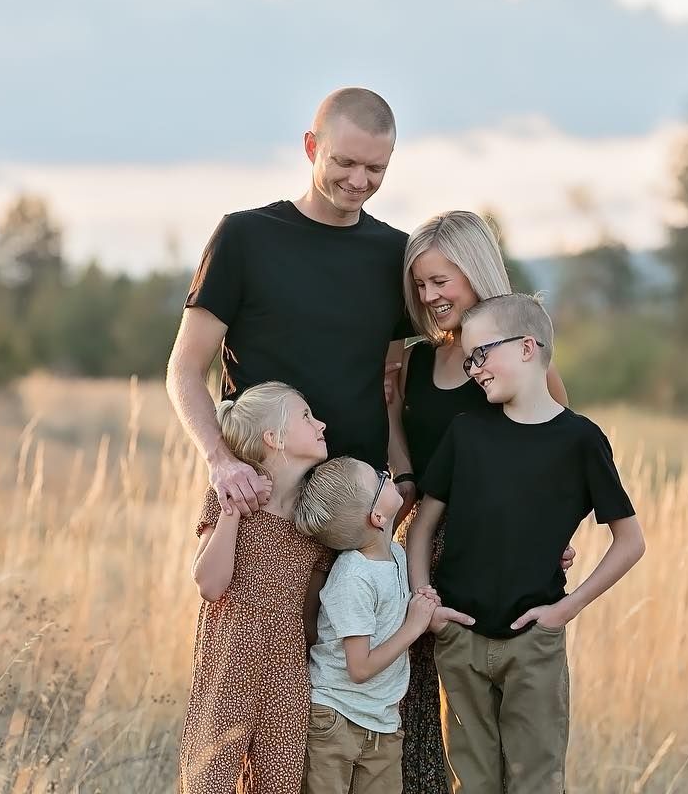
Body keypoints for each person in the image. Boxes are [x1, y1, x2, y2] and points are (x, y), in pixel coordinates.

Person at [406, 294, 646, 794]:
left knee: (535, 781)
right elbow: (424, 526)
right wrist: (426, 603)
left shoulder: (580, 440)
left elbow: (630, 541)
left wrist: (567, 608)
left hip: (534, 642)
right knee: (471, 782)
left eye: (481, 354)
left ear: (527, 347)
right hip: (460, 638)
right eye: (468, 358)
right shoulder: (466, 432)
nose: (473, 369)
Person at [387, 210, 571, 793]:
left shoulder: (511, 360)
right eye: (420, 285)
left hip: (492, 555)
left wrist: (551, 533)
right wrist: (396, 430)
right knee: (425, 717)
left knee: (509, 735)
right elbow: (401, 449)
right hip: (420, 552)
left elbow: (559, 449)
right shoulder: (414, 359)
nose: (430, 296)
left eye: (442, 281)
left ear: (475, 271)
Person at [167, 88, 414, 520]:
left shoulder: (396, 254)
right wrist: (220, 461)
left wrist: (405, 475)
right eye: (345, 162)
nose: (360, 181)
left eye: (376, 168)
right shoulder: (244, 237)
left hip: (357, 508)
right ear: (311, 146)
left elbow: (388, 386)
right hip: (258, 495)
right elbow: (184, 370)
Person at [179, 382, 336, 794]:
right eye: (306, 417)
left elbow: (311, 613)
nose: (320, 424)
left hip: (286, 670)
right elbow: (210, 585)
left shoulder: (314, 519)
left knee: (279, 783)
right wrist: (233, 510)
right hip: (230, 658)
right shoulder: (228, 495)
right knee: (208, 779)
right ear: (274, 437)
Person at [293, 456, 473, 794]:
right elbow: (359, 667)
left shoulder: (397, 556)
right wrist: (414, 626)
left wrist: (425, 609)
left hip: (382, 722)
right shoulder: (354, 578)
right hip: (335, 719)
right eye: (379, 478)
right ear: (377, 517)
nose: (387, 473)